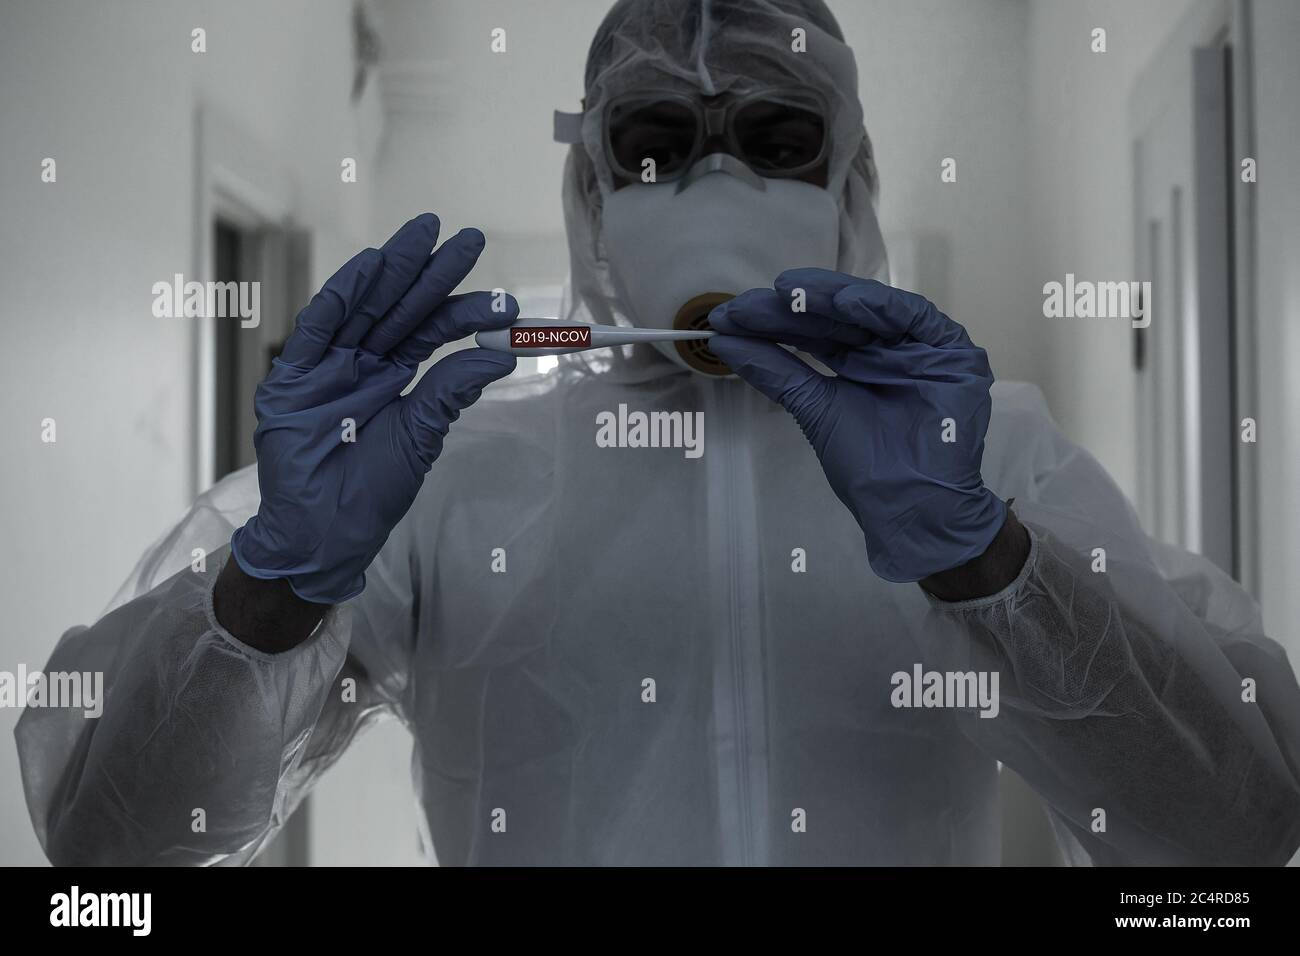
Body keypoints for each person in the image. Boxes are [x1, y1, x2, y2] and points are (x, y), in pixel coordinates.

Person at [17, 0, 1300, 866]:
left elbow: (1231, 831)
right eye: (654, 146)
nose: (710, 181)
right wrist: (272, 583)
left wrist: (982, 560)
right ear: (586, 190)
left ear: (849, 183)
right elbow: (116, 852)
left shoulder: (985, 455)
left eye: (776, 139)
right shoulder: (443, 472)